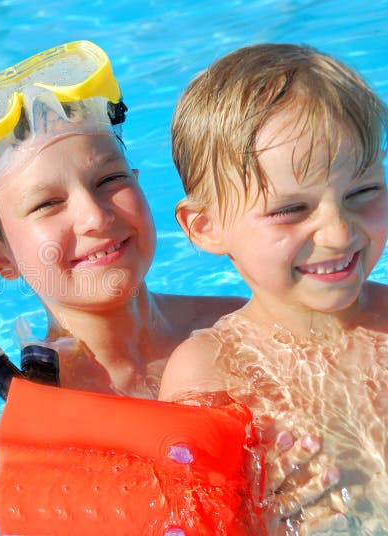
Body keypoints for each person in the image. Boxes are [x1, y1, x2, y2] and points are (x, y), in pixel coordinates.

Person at [0, 40, 336, 533]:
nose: (93, 214)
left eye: (109, 179)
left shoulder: (243, 326)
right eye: (46, 204)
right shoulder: (39, 454)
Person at [160, 43, 388, 533]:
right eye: (291, 210)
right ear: (205, 226)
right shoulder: (212, 371)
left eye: (362, 192)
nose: (339, 232)